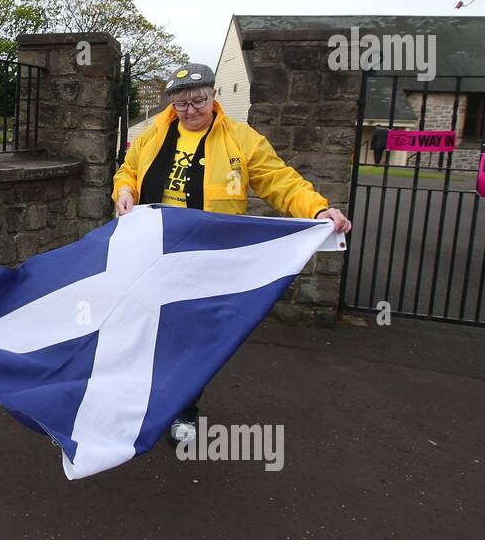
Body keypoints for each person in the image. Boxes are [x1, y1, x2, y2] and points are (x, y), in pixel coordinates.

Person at [113, 62, 352, 444]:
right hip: (152, 252)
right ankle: (138, 401)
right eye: (181, 104)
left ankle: (183, 410)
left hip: (207, 257)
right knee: (146, 329)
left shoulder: (242, 140)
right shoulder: (152, 136)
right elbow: (126, 171)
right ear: (171, 104)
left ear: (214, 97)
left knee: (193, 337)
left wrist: (318, 210)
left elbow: (280, 181)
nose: (190, 111)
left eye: (198, 101)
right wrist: (124, 190)